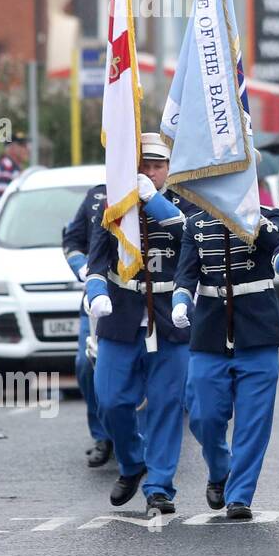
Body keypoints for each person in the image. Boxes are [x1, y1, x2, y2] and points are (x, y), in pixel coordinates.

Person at [84, 133, 191, 514]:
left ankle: (160, 486)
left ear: (168, 169)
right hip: (121, 313)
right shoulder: (114, 205)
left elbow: (187, 235)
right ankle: (131, 463)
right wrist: (95, 292)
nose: (149, 172)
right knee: (111, 399)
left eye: (156, 166)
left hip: (169, 313)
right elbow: (96, 259)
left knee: (166, 404)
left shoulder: (183, 202)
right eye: (142, 166)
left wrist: (153, 199)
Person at [172, 203, 279, 520]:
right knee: (202, 415)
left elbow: (277, 244)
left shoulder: (268, 215)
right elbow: (186, 274)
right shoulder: (195, 222)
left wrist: (248, 213)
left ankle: (240, 494)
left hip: (257, 327)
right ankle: (220, 467)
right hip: (210, 327)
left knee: (253, 421)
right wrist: (181, 302)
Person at [62, 180, 112, 468]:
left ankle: (142, 435)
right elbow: (72, 241)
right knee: (85, 364)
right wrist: (82, 266)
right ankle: (102, 435)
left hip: (145, 299)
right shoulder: (96, 196)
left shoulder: (157, 193)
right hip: (98, 296)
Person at [0, 131, 30, 215]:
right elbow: (3, 201)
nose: (26, 149)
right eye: (22, 145)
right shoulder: (6, 168)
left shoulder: (13, 167)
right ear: (11, 148)